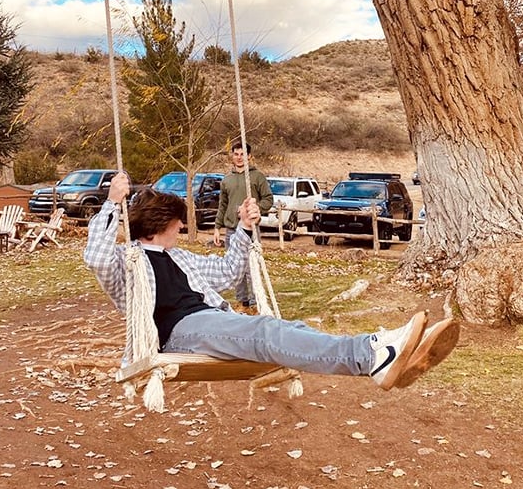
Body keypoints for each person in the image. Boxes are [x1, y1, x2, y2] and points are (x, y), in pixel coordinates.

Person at [84, 173, 459, 391]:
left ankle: (385, 354)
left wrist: (246, 228)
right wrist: (112, 203)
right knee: (266, 332)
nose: (183, 227)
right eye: (179, 222)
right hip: (176, 334)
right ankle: (373, 353)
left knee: (282, 329)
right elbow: (95, 257)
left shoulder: (180, 258)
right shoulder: (126, 262)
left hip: (209, 322)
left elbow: (230, 271)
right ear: (164, 222)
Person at [213, 140, 273, 310]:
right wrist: (217, 227)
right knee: (235, 267)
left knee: (250, 266)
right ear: (232, 156)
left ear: (249, 156)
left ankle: (255, 303)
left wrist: (255, 209)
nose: (239, 158)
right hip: (231, 229)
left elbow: (268, 199)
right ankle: (242, 301)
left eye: (243, 154)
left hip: (251, 230)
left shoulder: (257, 177)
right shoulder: (226, 180)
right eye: (236, 154)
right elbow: (222, 205)